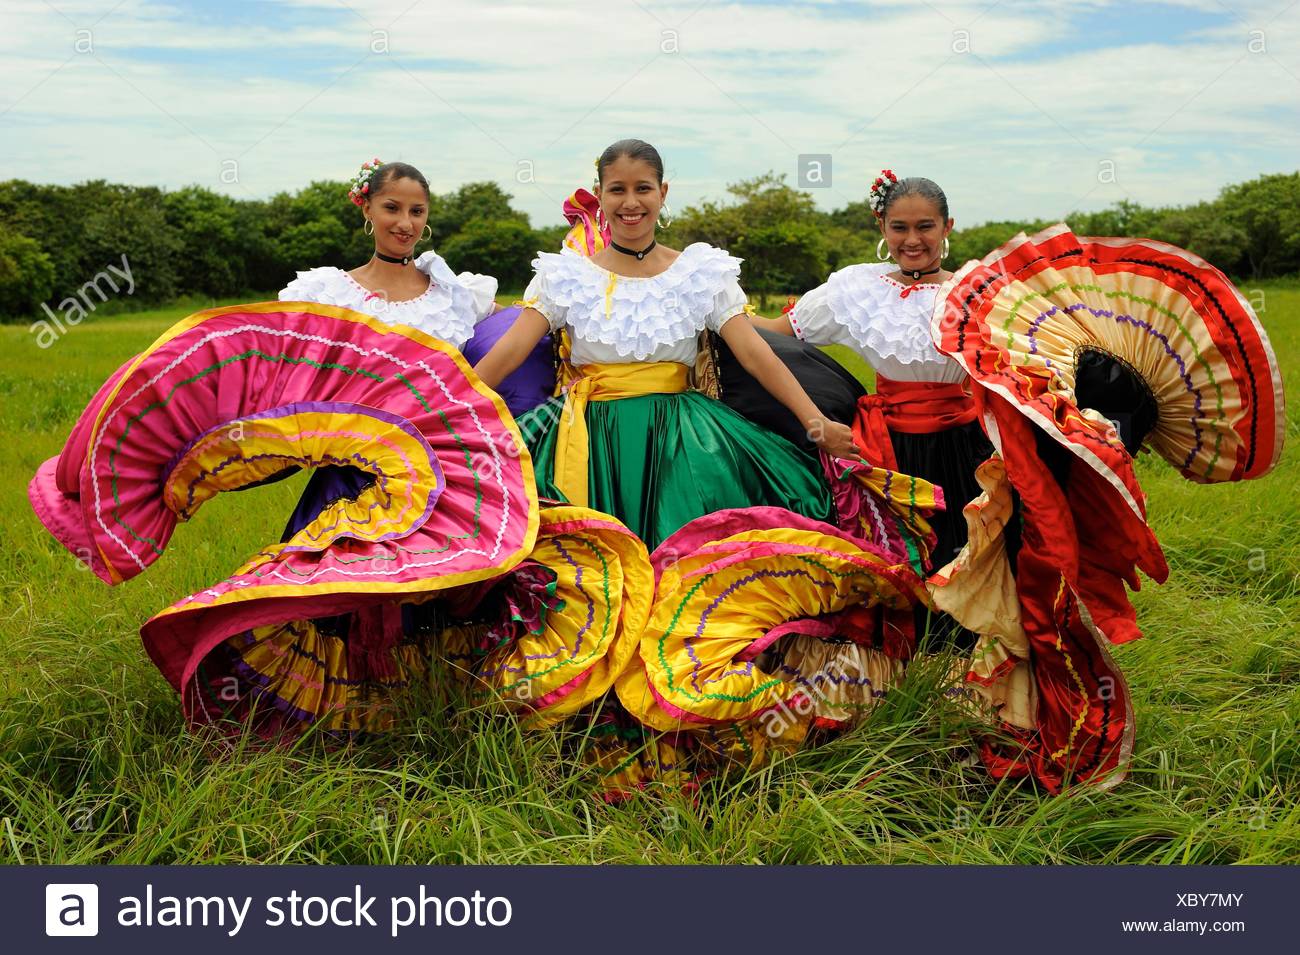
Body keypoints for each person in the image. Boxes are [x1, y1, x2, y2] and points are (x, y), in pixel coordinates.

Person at [930, 222, 1286, 791]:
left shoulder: (1090, 380)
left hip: (1056, 516)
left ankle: (1052, 732)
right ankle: (1023, 721)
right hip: (1046, 508)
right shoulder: (1082, 376)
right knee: (1036, 615)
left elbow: (1093, 455)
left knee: (1046, 617)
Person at [474, 139, 860, 551]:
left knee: (688, 550)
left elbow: (755, 355)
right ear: (600, 195)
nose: (630, 202)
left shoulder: (699, 272)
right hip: (587, 438)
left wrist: (815, 422)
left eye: (643, 188)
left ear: (663, 193)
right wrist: (446, 414)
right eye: (617, 189)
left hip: (681, 439)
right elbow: (509, 353)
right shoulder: (567, 275)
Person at [749, 171, 997, 647]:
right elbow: (774, 333)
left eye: (925, 226)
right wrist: (717, 312)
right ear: (881, 226)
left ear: (947, 228)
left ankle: (967, 657)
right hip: (888, 446)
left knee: (967, 553)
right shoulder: (859, 290)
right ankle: (903, 654)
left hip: (965, 443)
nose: (912, 240)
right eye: (899, 227)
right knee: (902, 557)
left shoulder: (978, 291)